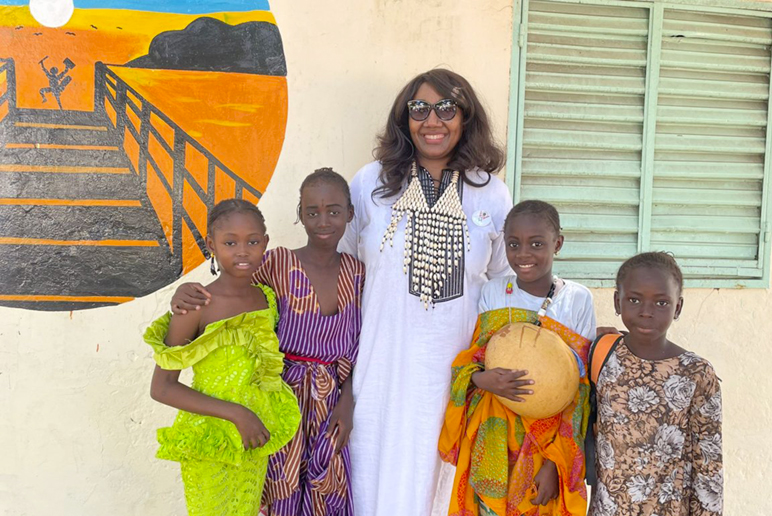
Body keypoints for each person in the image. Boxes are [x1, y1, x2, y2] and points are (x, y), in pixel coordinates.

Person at [338, 68, 513, 516]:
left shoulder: (490, 194)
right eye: (419, 109)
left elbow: (501, 288)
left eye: (446, 108)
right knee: (373, 473)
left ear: (465, 117)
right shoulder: (370, 183)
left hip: (453, 376)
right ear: (405, 118)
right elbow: (341, 269)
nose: (432, 121)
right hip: (379, 370)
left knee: (442, 480)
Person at [170, 169, 365, 516]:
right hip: (278, 403)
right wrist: (184, 291)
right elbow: (233, 287)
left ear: (350, 214)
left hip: (332, 407)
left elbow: (359, 347)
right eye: (312, 211)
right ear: (299, 215)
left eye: (334, 211)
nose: (323, 220)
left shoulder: (358, 272)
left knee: (328, 492)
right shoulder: (277, 263)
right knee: (278, 493)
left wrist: (347, 402)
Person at [439, 200, 596, 516]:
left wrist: (556, 462)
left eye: (536, 244)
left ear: (558, 244)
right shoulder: (494, 293)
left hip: (548, 441)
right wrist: (482, 379)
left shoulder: (577, 300)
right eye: (514, 244)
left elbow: (580, 388)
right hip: (494, 436)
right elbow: (474, 360)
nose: (523, 254)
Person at [144, 199, 301, 516]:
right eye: (230, 242)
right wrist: (236, 414)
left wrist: (250, 418)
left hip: (253, 440)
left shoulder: (265, 297)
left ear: (265, 244)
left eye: (252, 241)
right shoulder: (196, 303)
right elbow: (162, 388)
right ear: (211, 245)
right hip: (212, 439)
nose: (242, 251)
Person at [589, 252, 723, 516]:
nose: (646, 312)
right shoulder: (602, 354)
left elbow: (708, 463)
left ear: (678, 307)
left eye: (661, 303)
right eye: (634, 300)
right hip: (608, 509)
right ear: (617, 302)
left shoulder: (696, 372)